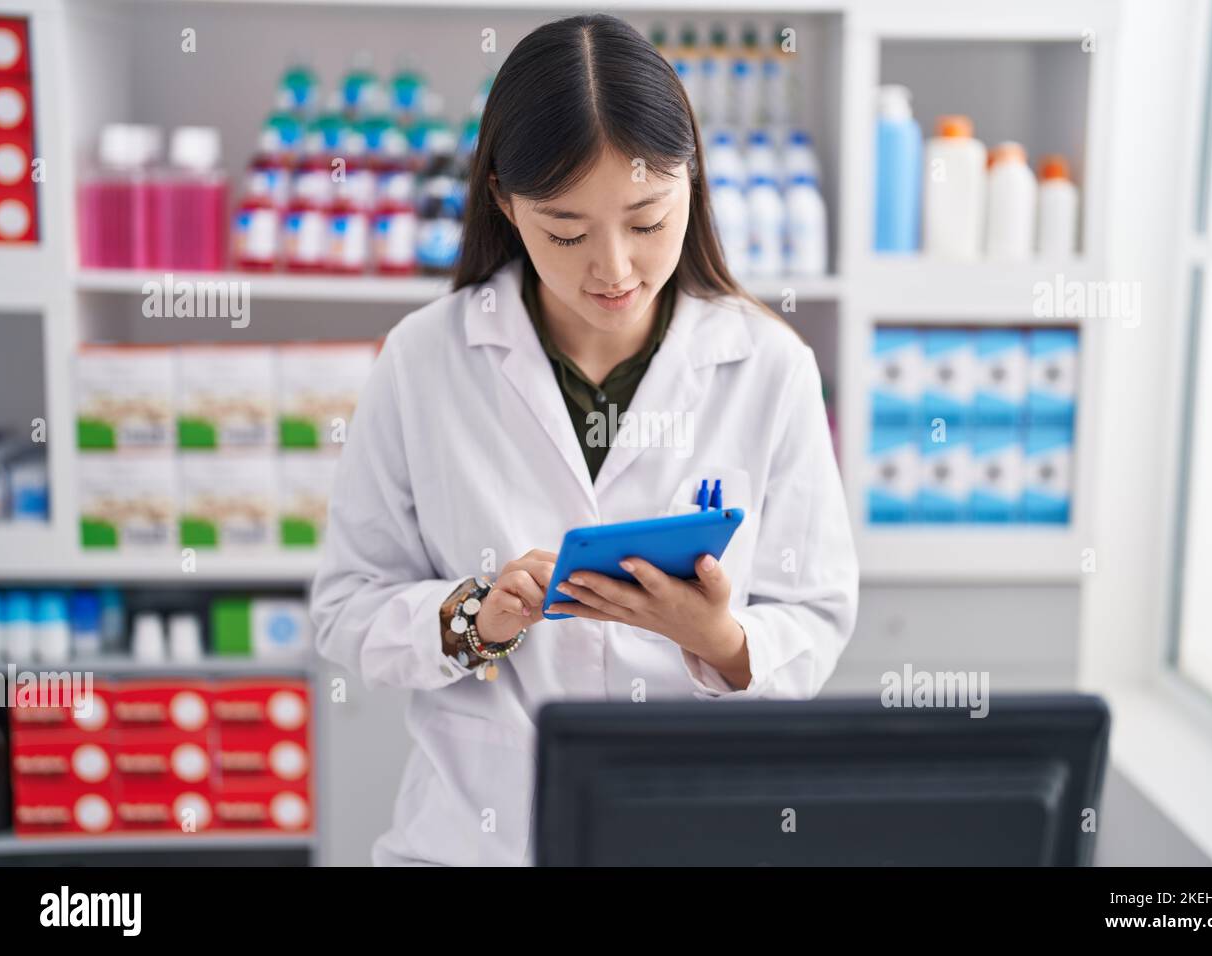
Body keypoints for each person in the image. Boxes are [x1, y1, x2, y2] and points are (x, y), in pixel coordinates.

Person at [310, 13, 859, 867]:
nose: (613, 269)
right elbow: (347, 604)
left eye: (646, 221)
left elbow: (817, 614)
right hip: (472, 840)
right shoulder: (425, 359)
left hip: (689, 831)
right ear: (502, 199)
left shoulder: (769, 366)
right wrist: (472, 620)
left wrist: (718, 640)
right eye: (566, 232)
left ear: (692, 181)